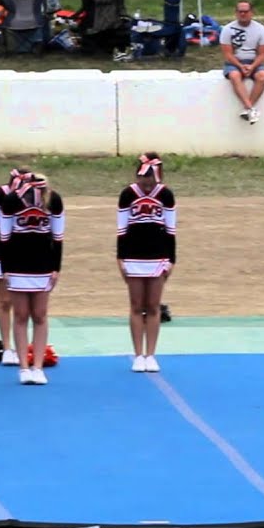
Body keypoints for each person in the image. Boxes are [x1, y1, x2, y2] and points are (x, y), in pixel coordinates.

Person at [0, 173, 65, 386]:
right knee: (20, 314)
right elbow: (4, 237)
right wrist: (5, 268)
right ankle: (23, 367)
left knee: (40, 314)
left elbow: (58, 237)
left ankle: (38, 366)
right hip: (17, 264)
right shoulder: (11, 201)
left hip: (43, 264)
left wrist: (56, 268)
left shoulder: (54, 201)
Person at [117, 153, 177, 374]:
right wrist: (120, 258)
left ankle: (151, 354)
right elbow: (121, 230)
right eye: (144, 177)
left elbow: (171, 230)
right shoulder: (127, 194)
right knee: (136, 306)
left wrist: (171, 260)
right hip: (133, 256)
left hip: (158, 256)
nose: (147, 182)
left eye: (151, 177)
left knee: (153, 306)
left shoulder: (166, 195)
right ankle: (138, 354)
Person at [0, 166, 28, 366]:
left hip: (25, 255)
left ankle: (23, 344)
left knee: (25, 303)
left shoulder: (35, 197)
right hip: (1, 252)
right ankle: (7, 346)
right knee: (5, 300)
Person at [220, 0, 264, 124]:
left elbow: (263, 53)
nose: (243, 14)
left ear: (251, 12)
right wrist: (240, 66)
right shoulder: (227, 29)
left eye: (246, 11)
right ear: (236, 13)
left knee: (262, 76)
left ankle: (247, 109)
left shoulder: (261, 30)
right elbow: (227, 53)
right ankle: (251, 109)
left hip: (254, 61)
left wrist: (252, 66)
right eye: (240, 11)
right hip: (234, 62)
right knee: (234, 75)